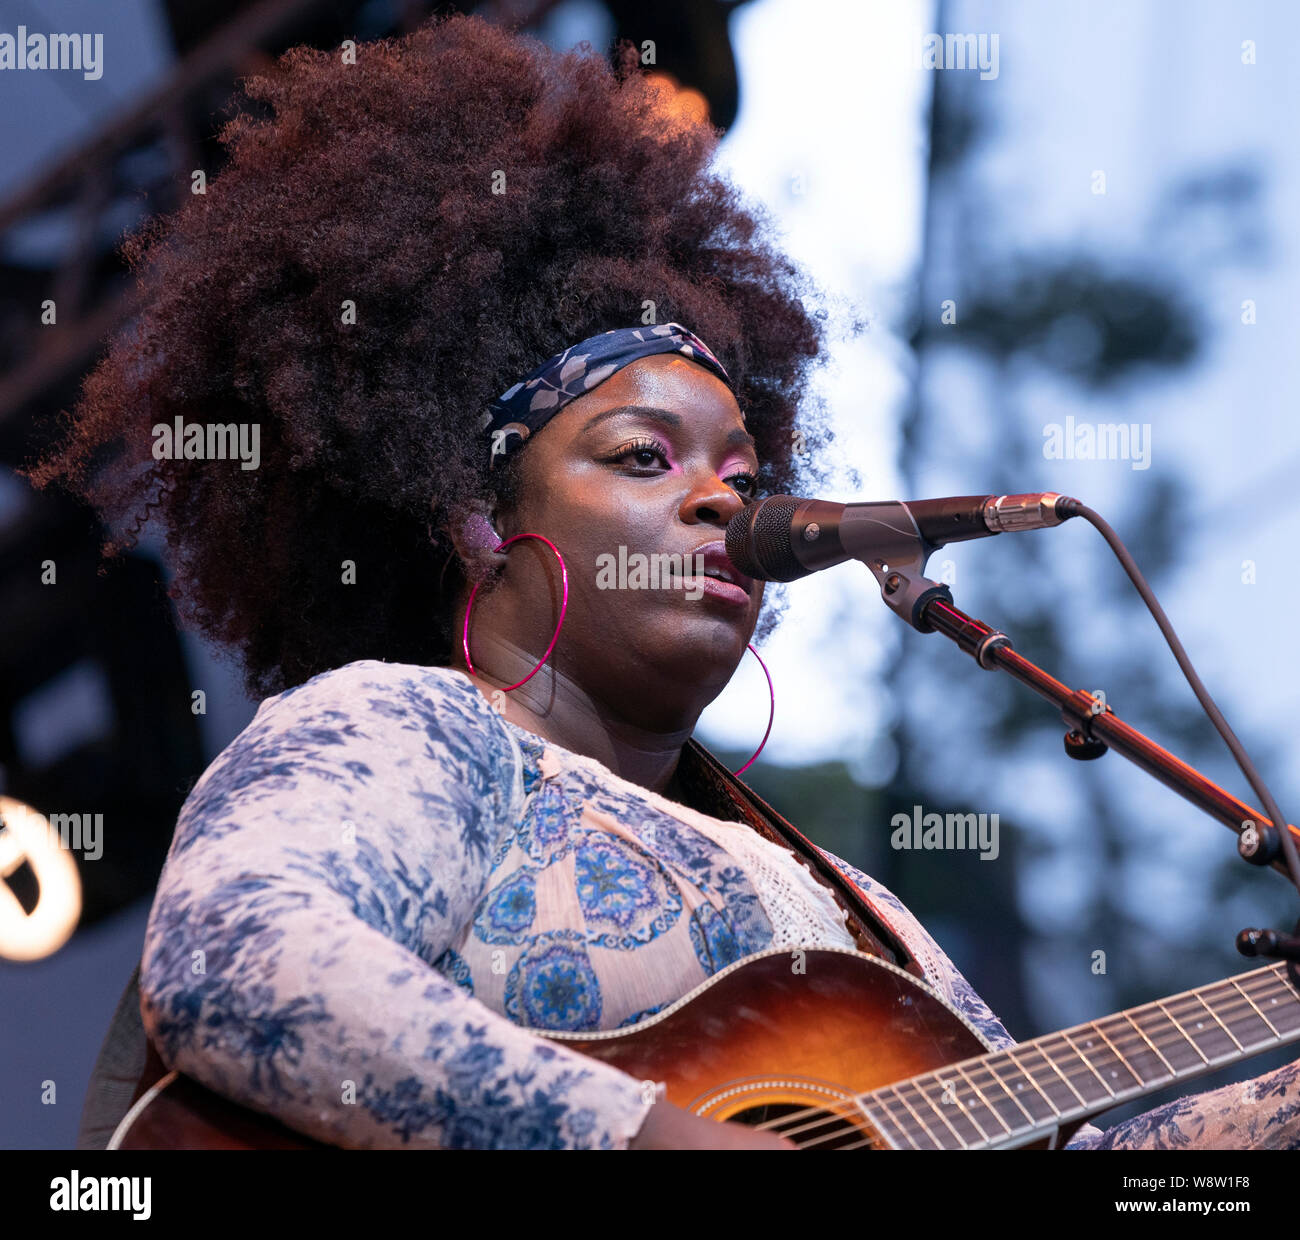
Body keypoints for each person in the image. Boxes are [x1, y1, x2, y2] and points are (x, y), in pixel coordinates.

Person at [28, 14, 1300, 1150]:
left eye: (744, 477)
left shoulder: (863, 918)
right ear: (480, 524)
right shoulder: (416, 730)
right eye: (645, 456)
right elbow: (237, 966)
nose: (721, 500)